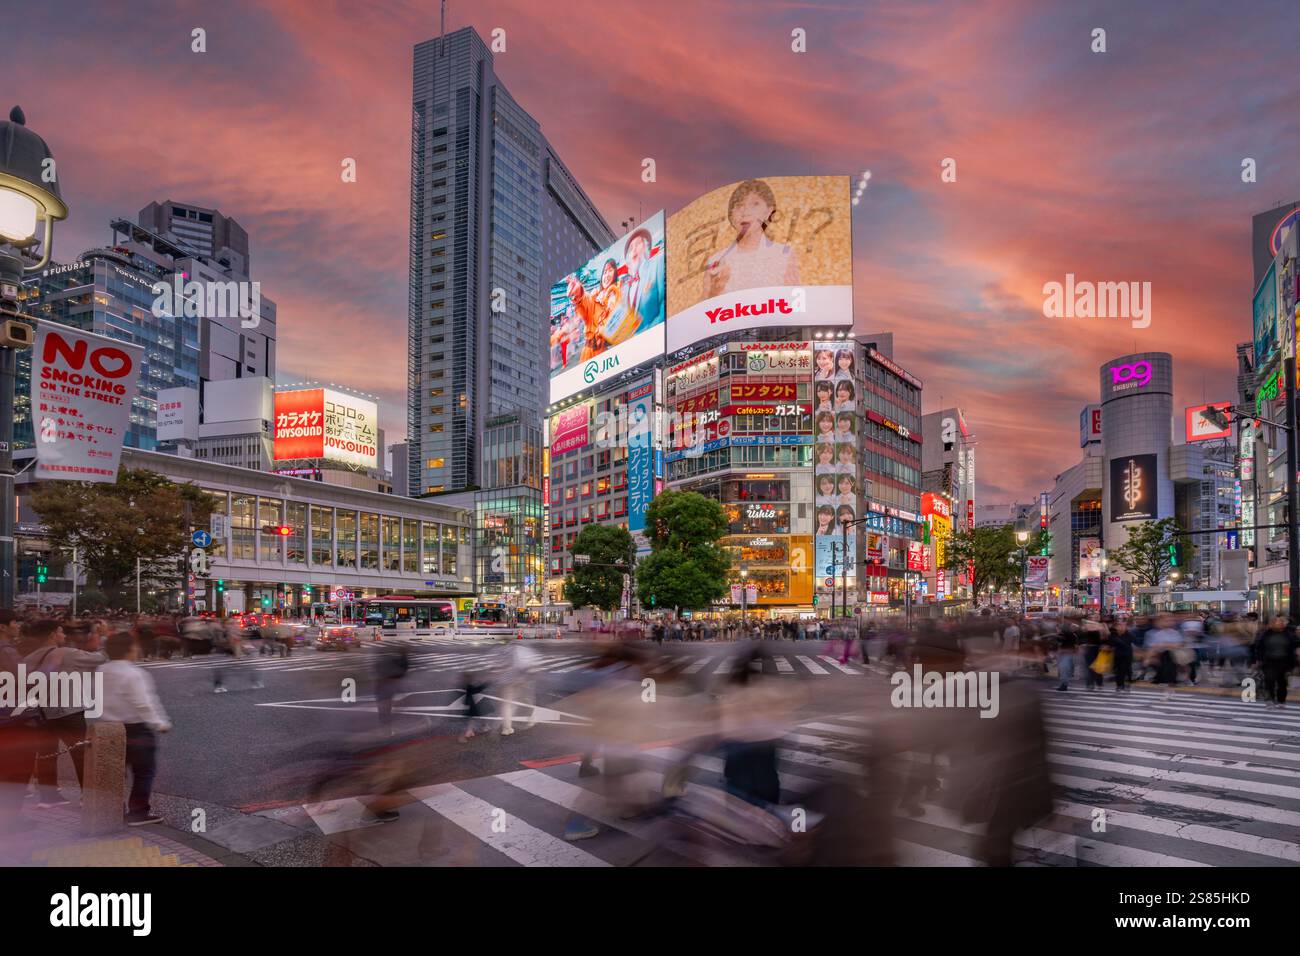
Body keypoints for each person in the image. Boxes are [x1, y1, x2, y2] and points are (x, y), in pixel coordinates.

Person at [22, 619, 106, 808]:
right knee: (81, 753)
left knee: (46, 754)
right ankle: (87, 796)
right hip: (69, 711)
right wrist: (100, 638)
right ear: (52, 634)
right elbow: (101, 658)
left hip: (42, 712)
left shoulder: (28, 657)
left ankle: (48, 796)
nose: (64, 635)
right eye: (61, 632)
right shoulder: (67, 653)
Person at [95, 632, 171, 825]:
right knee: (143, 771)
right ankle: (137, 812)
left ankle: (111, 811)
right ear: (129, 650)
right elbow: (143, 704)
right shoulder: (134, 673)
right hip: (135, 728)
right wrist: (159, 723)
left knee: (114, 772)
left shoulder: (101, 670)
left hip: (108, 727)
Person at [704, 179, 799, 298]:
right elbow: (703, 309)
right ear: (731, 215)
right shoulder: (716, 261)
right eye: (739, 206)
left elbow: (795, 302)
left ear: (768, 211)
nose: (745, 212)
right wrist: (714, 291)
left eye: (755, 204)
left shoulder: (784, 255)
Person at [1255, 617, 1298, 709]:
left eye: (1279, 622)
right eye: (1274, 622)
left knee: (1282, 682)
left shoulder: (1289, 635)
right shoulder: (1265, 635)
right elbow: (1258, 648)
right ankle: (1270, 700)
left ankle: (1281, 700)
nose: (1277, 624)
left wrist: (1293, 662)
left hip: (1284, 662)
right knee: (1269, 681)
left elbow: (1294, 646)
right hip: (1269, 662)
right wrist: (1257, 660)